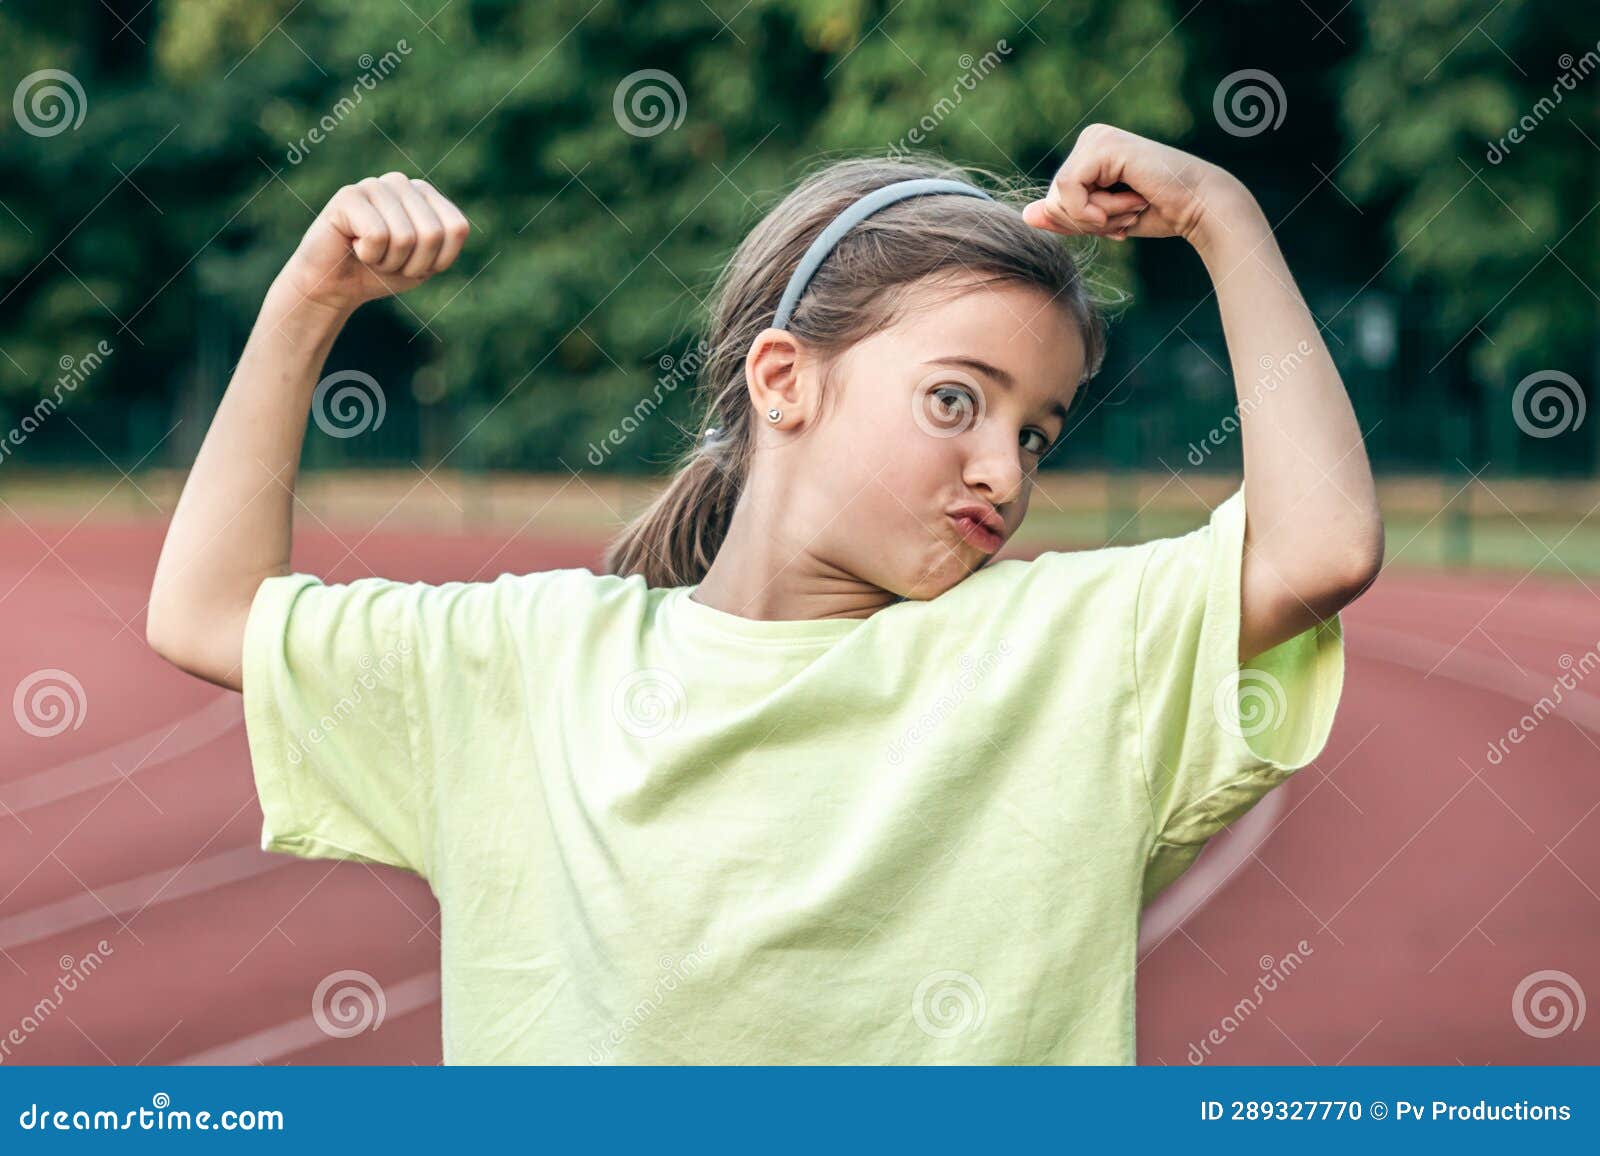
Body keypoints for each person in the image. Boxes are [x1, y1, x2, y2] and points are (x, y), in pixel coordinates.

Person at [146, 123, 1383, 1064]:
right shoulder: (531, 663)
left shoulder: (1058, 649)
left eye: (1038, 432)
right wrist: (308, 302)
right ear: (784, 379)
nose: (1003, 469)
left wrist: (1223, 215)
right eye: (957, 399)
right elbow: (204, 613)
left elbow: (1317, 545)